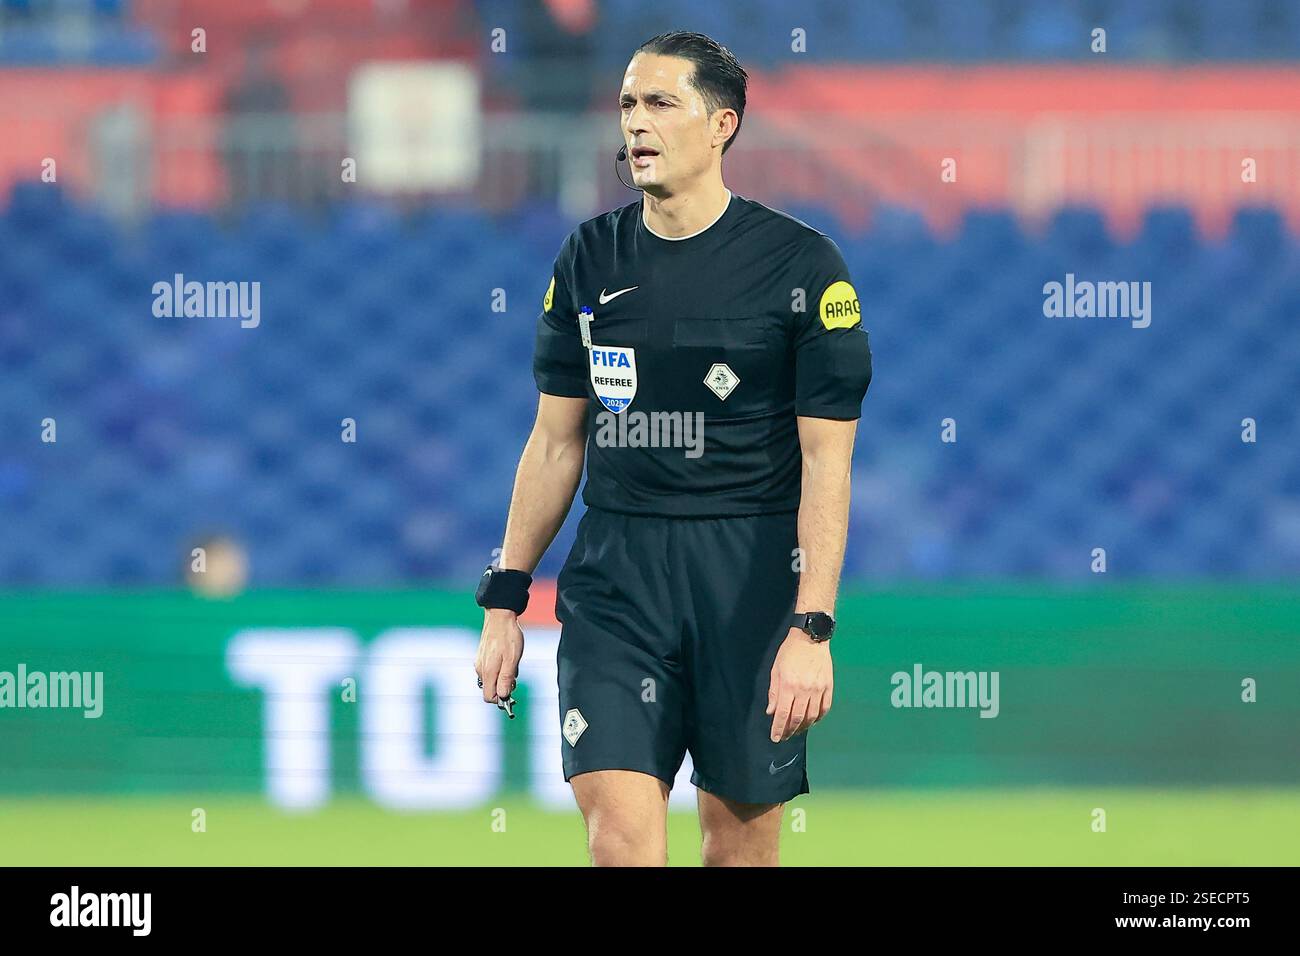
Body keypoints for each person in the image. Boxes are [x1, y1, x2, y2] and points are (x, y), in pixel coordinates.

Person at [474, 31, 872, 866]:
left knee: (739, 855)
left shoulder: (801, 266)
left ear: (721, 124)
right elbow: (554, 443)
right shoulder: (588, 258)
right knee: (621, 845)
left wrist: (813, 627)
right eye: (627, 103)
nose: (636, 123)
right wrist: (504, 599)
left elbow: (828, 464)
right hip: (617, 577)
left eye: (660, 103)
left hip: (750, 582)